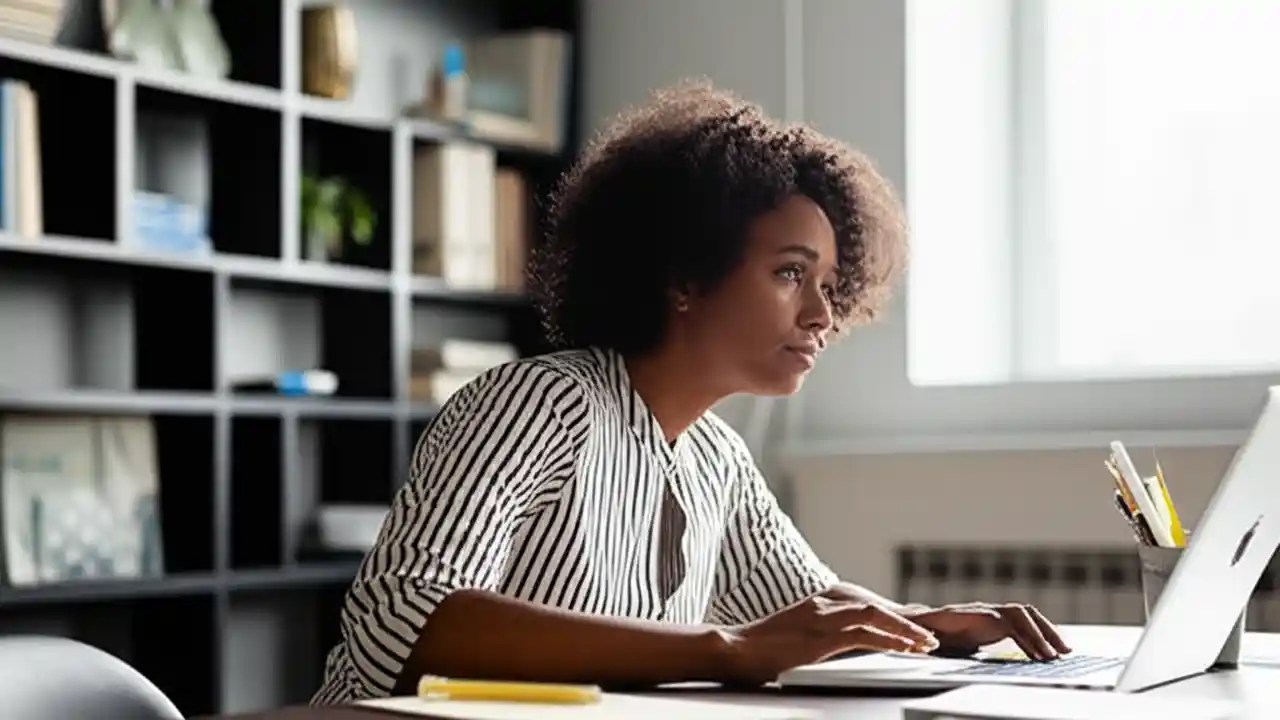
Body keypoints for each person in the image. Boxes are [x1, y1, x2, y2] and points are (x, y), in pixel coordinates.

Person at [311, 80, 1071, 704]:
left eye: (830, 287)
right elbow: (400, 626)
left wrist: (924, 627)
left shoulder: (717, 458)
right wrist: (726, 648)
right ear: (684, 275)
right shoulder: (537, 403)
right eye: (789, 274)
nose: (820, 314)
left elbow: (802, 611)